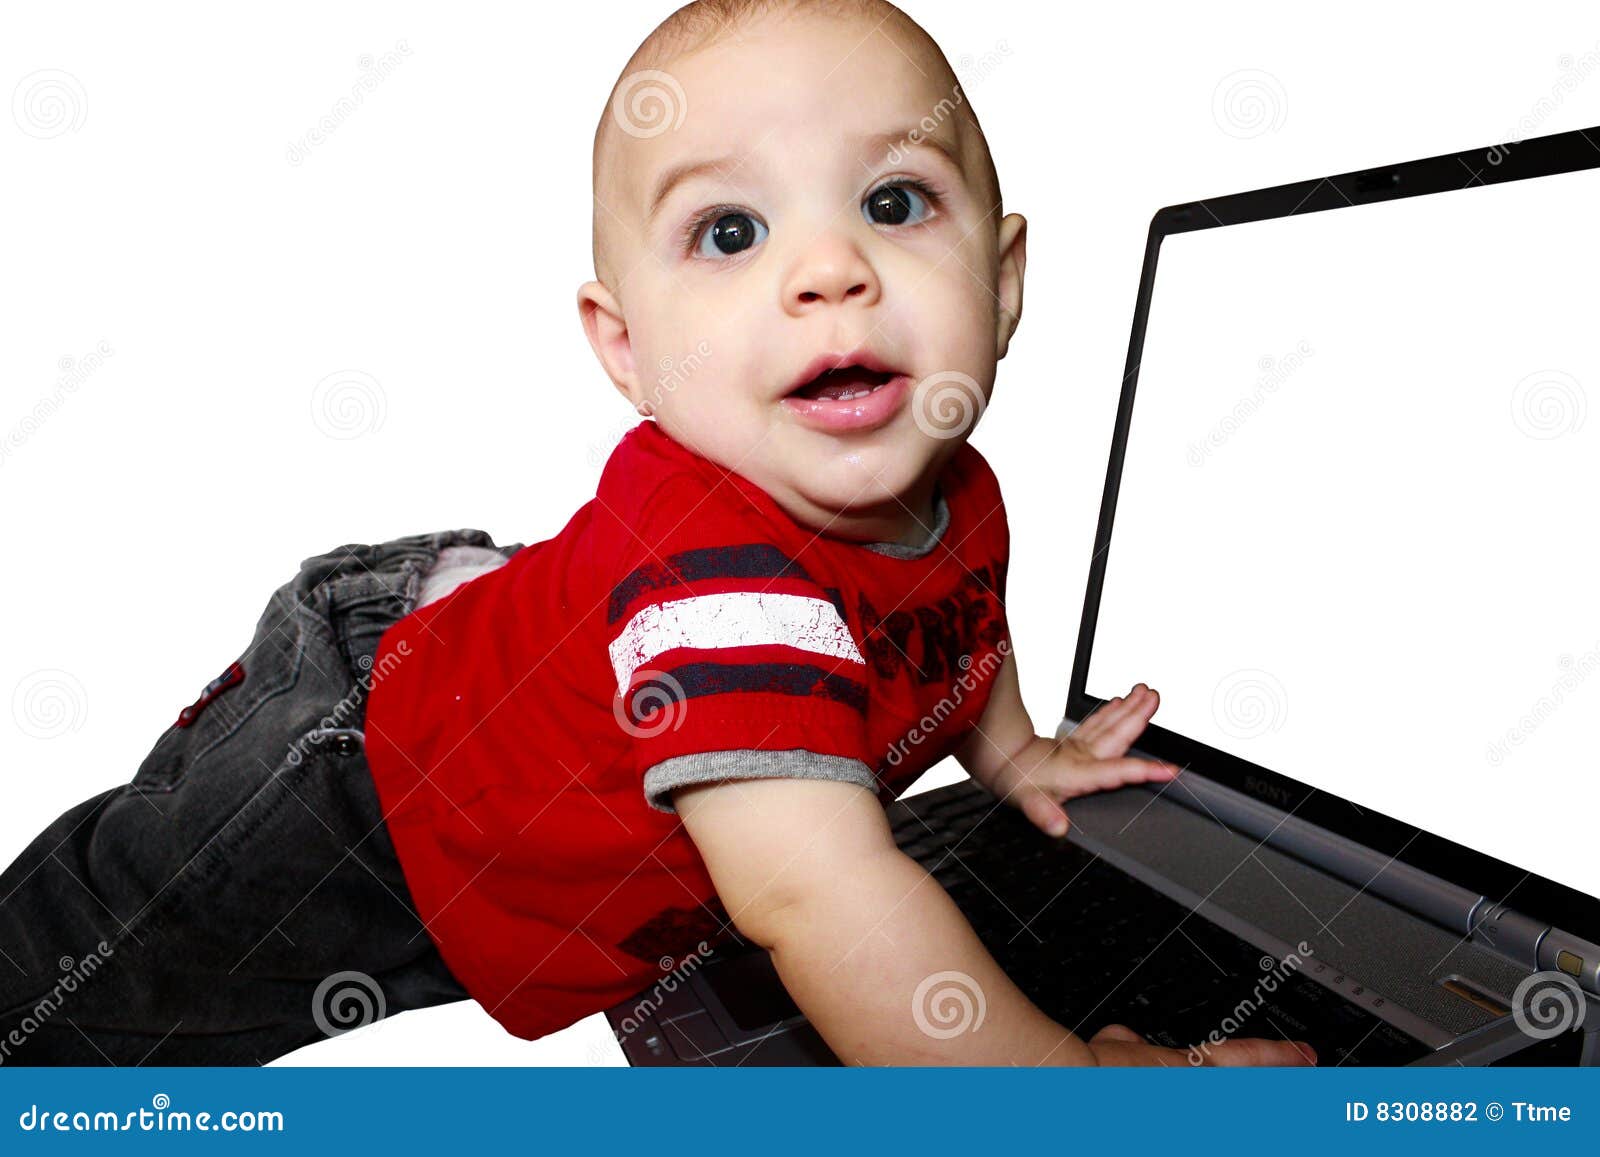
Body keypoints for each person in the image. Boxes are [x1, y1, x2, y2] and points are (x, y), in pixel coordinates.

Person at [0, 0, 1314, 1067]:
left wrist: (1016, 752)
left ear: (1006, 280)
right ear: (625, 350)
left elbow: (962, 614)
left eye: (896, 203)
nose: (829, 270)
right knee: (96, 991)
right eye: (730, 232)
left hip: (552, 656)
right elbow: (821, 896)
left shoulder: (951, 478)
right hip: (372, 770)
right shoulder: (725, 589)